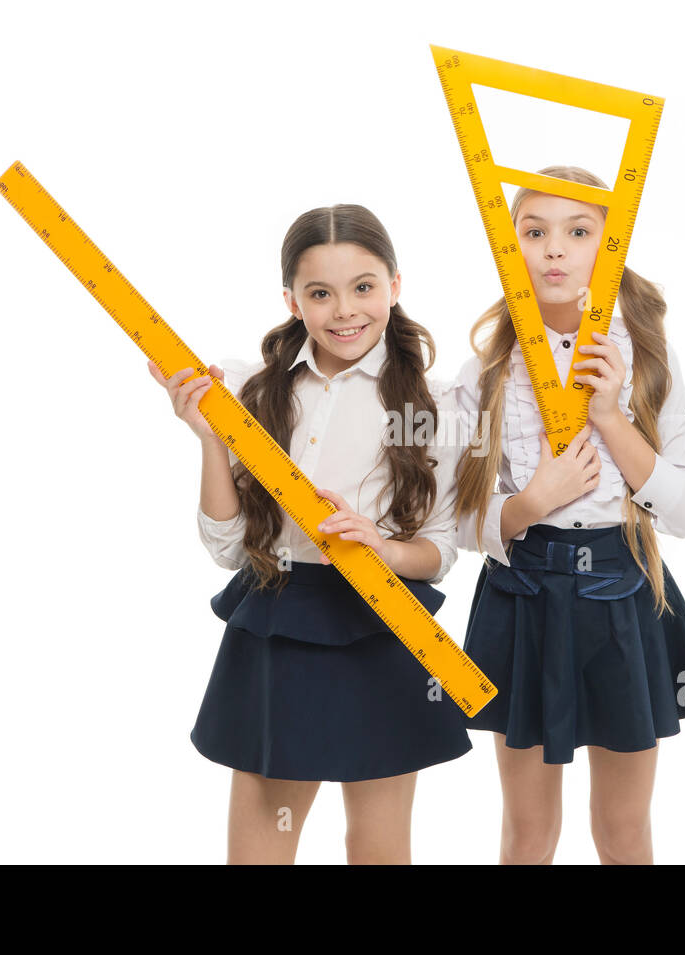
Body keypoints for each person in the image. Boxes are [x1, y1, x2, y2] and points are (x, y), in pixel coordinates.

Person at [150, 204, 471, 864]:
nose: (345, 310)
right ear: (292, 301)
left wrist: (379, 546)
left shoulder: (436, 407)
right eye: (320, 292)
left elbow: (439, 551)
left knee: (379, 850)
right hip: (281, 630)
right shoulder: (250, 390)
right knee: (260, 854)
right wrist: (211, 441)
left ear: (395, 285)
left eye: (364, 286)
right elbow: (227, 548)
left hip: (384, 631)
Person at [444, 165, 685, 864]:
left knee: (623, 831)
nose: (554, 251)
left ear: (610, 247)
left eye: (578, 232)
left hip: (622, 593)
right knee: (527, 832)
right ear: (510, 246)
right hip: (524, 594)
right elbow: (454, 520)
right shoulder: (485, 370)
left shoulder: (650, 359)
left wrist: (611, 417)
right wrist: (532, 501)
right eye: (534, 232)